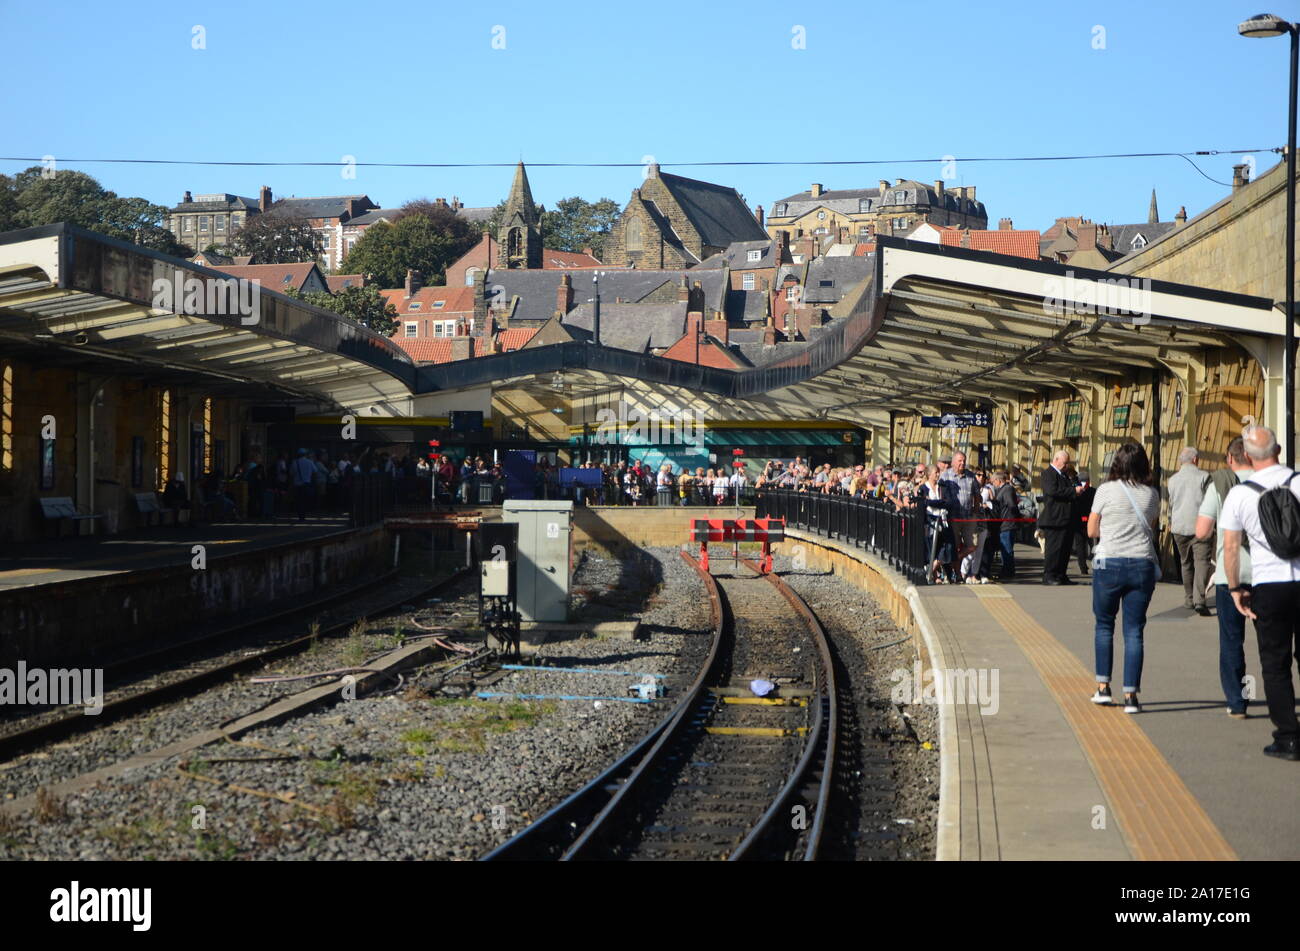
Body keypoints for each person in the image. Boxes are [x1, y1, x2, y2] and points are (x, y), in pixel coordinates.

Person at [1220, 425, 1300, 761]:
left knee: (1275, 662)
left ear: (1249, 458)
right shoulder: (1298, 481)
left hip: (1269, 585)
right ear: (1278, 450)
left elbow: (1231, 547)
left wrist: (1236, 588)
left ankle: (1288, 737)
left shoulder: (1240, 494)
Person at [1087, 442, 1161, 714]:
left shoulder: (1106, 490)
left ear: (1117, 463)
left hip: (1109, 563)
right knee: (1134, 631)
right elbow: (1151, 528)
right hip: (1141, 564)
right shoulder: (1151, 495)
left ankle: (1103, 689)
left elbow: (1092, 529)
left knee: (1104, 625)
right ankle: (1131, 696)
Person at [1194, 437, 1255, 718]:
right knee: (1271, 644)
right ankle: (1277, 698)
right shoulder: (1270, 483)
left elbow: (1202, 531)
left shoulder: (1219, 485)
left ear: (1230, 459)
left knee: (1232, 641)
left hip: (1229, 575)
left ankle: (1239, 701)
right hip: (1267, 574)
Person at [1168, 447, 1214, 616]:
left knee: (1185, 563)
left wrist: (1170, 522)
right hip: (1200, 525)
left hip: (1179, 527)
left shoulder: (1172, 480)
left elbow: (1172, 504)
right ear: (1195, 460)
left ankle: (1188, 598)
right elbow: (1211, 501)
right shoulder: (1204, 477)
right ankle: (1199, 600)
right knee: (1202, 562)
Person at [1040, 449, 1082, 585]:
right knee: (1054, 549)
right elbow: (1053, 491)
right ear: (1056, 460)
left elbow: (1066, 491)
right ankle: (1049, 575)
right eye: (1064, 463)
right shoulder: (1048, 474)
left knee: (1065, 549)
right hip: (1055, 519)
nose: (1066, 466)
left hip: (1066, 519)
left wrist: (1076, 491)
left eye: (1067, 463)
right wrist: (1073, 491)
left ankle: (1061, 574)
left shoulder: (1064, 475)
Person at [991, 469, 1019, 579]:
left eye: (994, 481)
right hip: (1003, 523)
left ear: (998, 480)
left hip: (1007, 523)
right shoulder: (1003, 490)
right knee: (1005, 548)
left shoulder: (1007, 489)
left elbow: (1011, 504)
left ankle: (1008, 571)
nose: (993, 484)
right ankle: (1006, 569)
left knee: (1007, 548)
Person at [1070, 467, 1096, 575]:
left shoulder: (1075, 492)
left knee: (1080, 546)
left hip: (1078, 522)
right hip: (1092, 522)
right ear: (1089, 481)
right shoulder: (1094, 491)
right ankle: (1097, 565)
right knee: (1094, 545)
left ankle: (1083, 568)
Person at [290, 448, 316, 521]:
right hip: (307, 484)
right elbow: (315, 471)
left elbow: (291, 473)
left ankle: (300, 515)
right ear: (305, 454)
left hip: (298, 485)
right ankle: (304, 513)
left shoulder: (295, 462)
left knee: (299, 501)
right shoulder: (310, 462)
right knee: (305, 500)